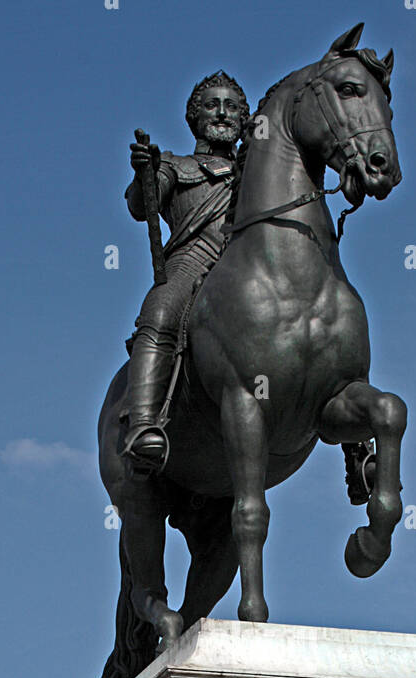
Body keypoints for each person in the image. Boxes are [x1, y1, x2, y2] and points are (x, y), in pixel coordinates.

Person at [122, 71, 249, 471]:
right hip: (192, 261)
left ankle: (354, 447)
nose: (223, 113)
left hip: (247, 263)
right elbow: (140, 207)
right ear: (194, 116)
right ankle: (143, 426)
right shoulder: (174, 166)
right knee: (160, 309)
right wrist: (145, 172)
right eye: (212, 105)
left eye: (231, 107)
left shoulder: (258, 174)